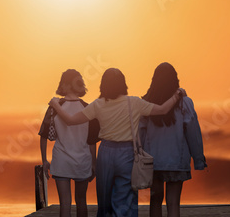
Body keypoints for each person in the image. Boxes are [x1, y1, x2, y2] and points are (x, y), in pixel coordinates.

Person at [50, 68, 185, 217]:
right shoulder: (134, 102)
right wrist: (176, 95)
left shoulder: (98, 104)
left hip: (106, 152)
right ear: (123, 84)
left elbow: (70, 121)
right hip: (127, 153)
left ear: (103, 85)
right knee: (125, 198)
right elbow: (162, 110)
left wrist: (56, 105)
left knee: (105, 197)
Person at [139, 63, 206, 217]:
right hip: (177, 160)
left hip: (152, 161)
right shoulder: (184, 103)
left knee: (155, 200)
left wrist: (139, 159)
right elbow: (193, 133)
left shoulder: (146, 103)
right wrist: (198, 159)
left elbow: (140, 134)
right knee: (173, 202)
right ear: (175, 80)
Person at [39, 69, 100, 217]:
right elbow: (92, 141)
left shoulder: (55, 107)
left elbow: (43, 136)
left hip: (61, 161)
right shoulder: (88, 107)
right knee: (81, 201)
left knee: (65, 204)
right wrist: (93, 163)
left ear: (64, 84)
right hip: (82, 160)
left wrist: (45, 161)